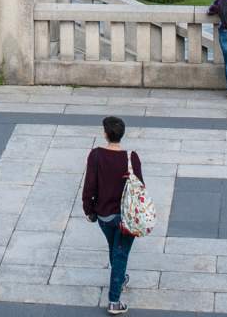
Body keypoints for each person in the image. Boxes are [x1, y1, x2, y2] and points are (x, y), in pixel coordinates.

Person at [80, 116, 144, 315]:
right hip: (127, 216)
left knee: (114, 248)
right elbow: (140, 188)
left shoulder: (96, 155)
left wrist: (89, 210)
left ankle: (120, 277)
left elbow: (89, 186)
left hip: (104, 216)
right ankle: (114, 301)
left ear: (106, 134)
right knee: (120, 253)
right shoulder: (131, 158)